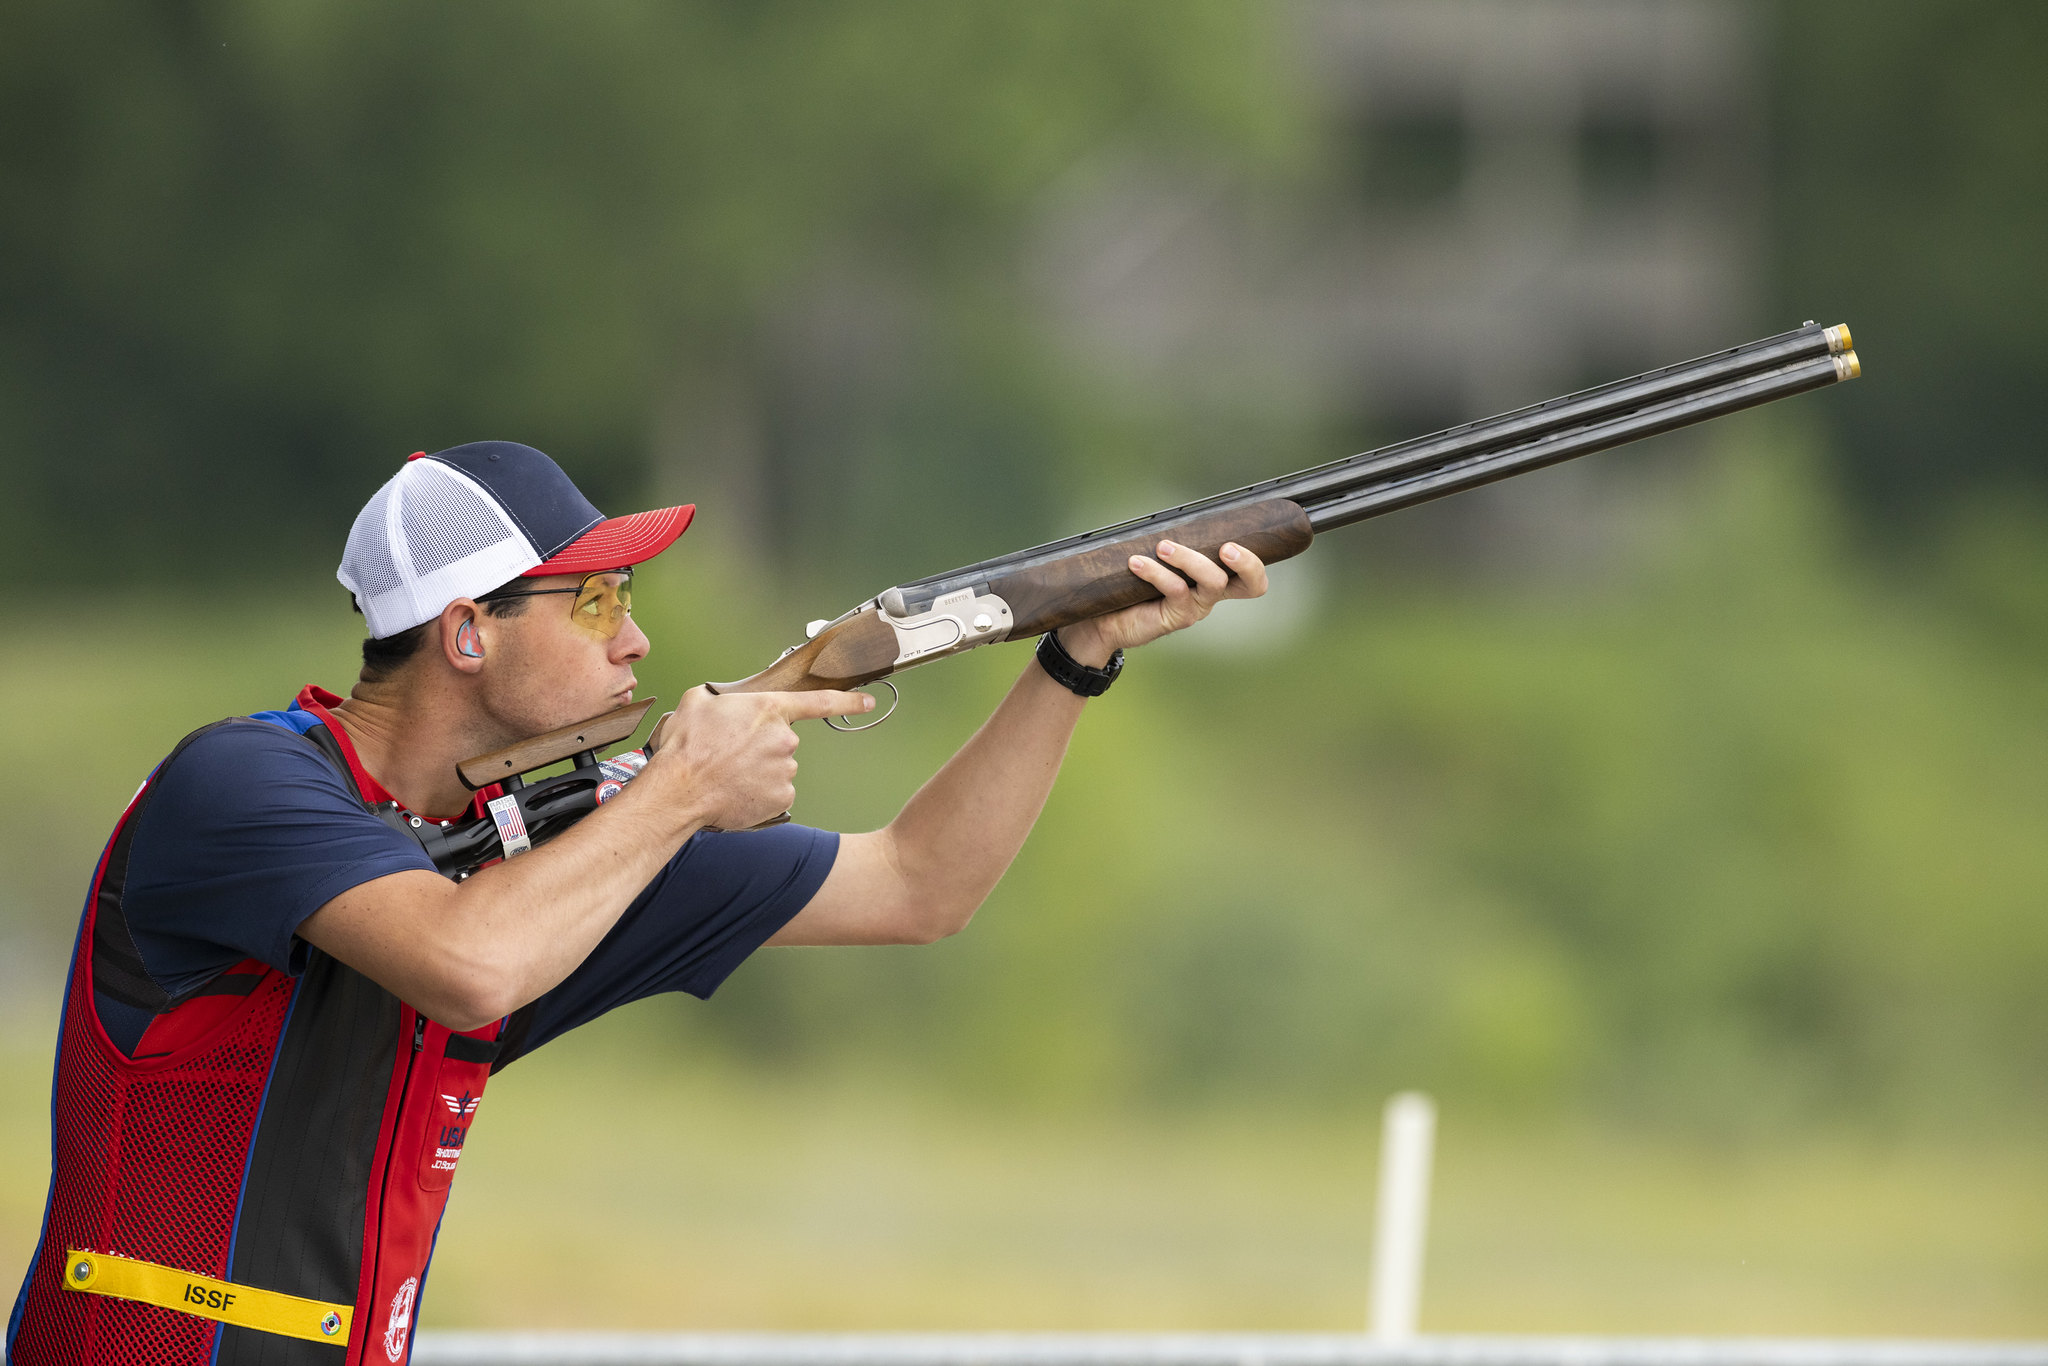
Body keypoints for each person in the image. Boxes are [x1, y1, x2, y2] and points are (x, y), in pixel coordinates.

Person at [8, 441, 1268, 1366]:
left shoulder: (548, 848)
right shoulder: (239, 782)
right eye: (597, 601)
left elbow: (920, 884)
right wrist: (673, 797)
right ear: (465, 633)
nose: (638, 644)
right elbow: (468, 965)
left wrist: (1075, 654)